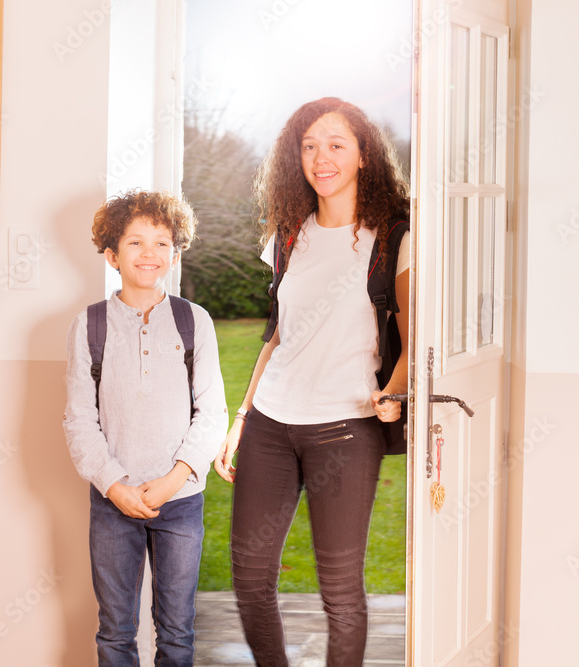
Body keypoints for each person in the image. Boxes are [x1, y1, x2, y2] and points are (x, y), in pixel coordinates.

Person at [213, 98, 411, 666]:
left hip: (345, 429)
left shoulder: (393, 237)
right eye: (309, 146)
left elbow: (413, 336)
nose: (321, 157)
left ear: (364, 155)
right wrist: (242, 417)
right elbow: (277, 335)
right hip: (271, 424)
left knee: (341, 591)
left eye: (336, 145)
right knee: (250, 576)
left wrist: (393, 392)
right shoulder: (288, 234)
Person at [63, 190, 228, 666]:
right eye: (135, 242)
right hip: (113, 502)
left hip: (181, 501)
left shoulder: (194, 321)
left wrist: (176, 478)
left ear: (175, 254)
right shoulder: (89, 326)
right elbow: (79, 419)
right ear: (112, 255)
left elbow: (212, 412)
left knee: (176, 631)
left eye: (161, 243)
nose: (149, 253)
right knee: (115, 632)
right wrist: (115, 486)